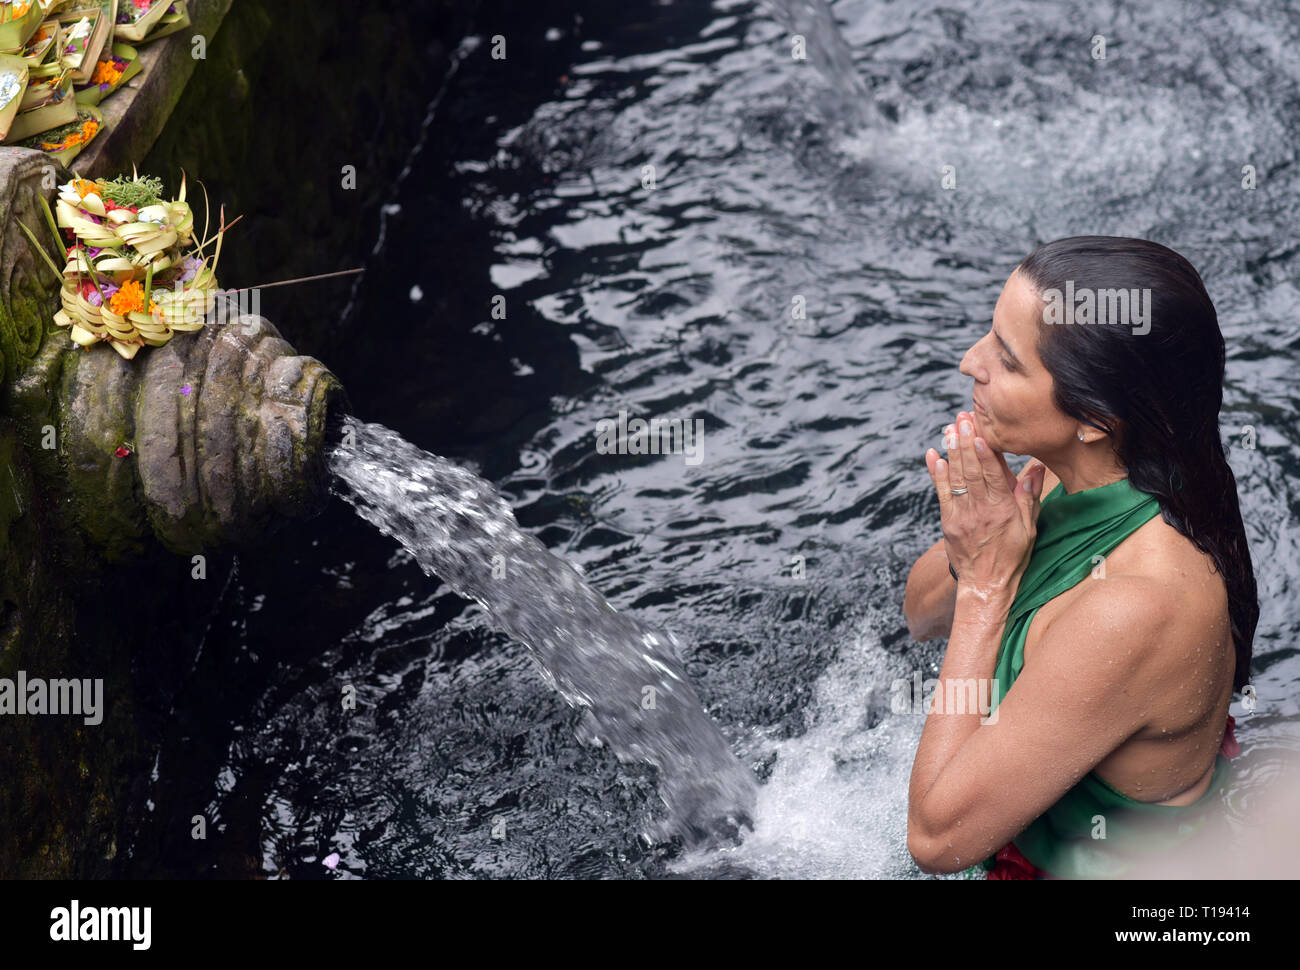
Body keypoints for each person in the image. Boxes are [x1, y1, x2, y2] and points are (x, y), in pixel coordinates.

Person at [902, 236, 1258, 879]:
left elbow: (935, 841)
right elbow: (920, 617)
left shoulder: (1139, 607)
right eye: (989, 334)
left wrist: (987, 590)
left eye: (1007, 362)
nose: (968, 362)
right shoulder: (1068, 470)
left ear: (1092, 418)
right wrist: (976, 551)